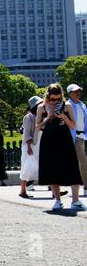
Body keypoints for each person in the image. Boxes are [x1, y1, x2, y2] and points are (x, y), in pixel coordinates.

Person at [36, 84, 83, 212]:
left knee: (72, 167)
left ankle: (75, 200)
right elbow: (37, 126)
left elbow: (73, 126)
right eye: (53, 99)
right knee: (51, 169)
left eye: (58, 99)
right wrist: (47, 118)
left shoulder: (66, 106)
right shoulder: (41, 107)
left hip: (64, 140)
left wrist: (64, 117)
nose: (55, 101)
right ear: (47, 96)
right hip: (49, 141)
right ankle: (57, 200)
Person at [19, 96, 41, 199]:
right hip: (30, 145)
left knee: (43, 165)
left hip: (36, 144)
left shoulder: (39, 116)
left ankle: (55, 190)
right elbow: (26, 133)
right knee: (26, 167)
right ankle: (23, 190)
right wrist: (28, 146)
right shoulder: (29, 117)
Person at [67, 84, 87, 186]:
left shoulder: (82, 105)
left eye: (79, 91)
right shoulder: (67, 105)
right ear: (70, 93)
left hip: (81, 137)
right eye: (75, 91)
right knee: (81, 161)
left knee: (81, 161)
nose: (78, 93)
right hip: (70, 137)